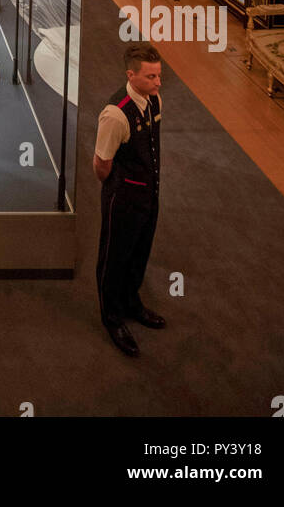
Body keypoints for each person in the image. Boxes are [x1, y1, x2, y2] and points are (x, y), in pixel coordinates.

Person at [94, 42, 165, 357]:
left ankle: (131, 300)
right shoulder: (114, 115)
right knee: (114, 256)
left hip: (149, 194)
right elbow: (101, 164)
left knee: (140, 251)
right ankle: (112, 316)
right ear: (131, 75)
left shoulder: (154, 101)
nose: (158, 83)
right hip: (122, 198)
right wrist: (118, 187)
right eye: (150, 77)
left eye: (158, 75)